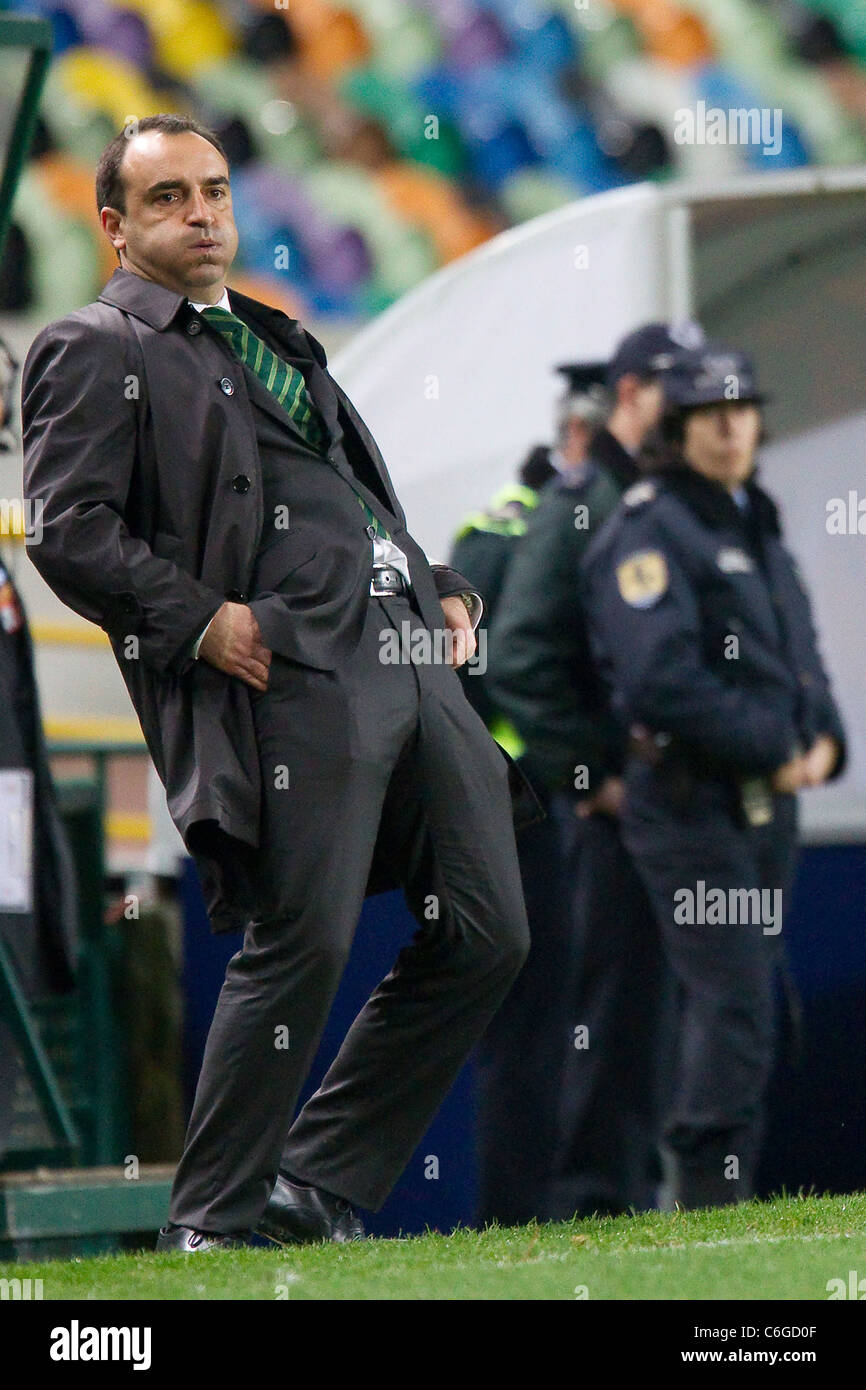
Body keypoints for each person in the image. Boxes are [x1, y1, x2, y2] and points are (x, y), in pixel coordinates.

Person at [21, 114, 538, 1251]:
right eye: (168, 199)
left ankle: (313, 1187)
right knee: (296, 938)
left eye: (213, 192)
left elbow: (356, 497)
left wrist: (440, 578)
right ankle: (209, 1220)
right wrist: (203, 622)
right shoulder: (95, 343)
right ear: (112, 225)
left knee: (489, 930)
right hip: (289, 676)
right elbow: (67, 530)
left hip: (409, 650)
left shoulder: (271, 332)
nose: (202, 214)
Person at [582, 344, 846, 1208]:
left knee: (745, 1004)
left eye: (742, 410)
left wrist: (827, 737)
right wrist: (775, 744)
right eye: (710, 413)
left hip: (767, 811)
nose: (732, 427)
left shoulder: (751, 518)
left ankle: (713, 1196)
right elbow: (661, 680)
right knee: (733, 1005)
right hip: (689, 803)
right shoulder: (652, 527)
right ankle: (703, 1198)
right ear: (680, 428)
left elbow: (801, 655)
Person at [487, 323, 701, 1218]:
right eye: (666, 388)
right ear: (618, 401)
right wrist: (590, 777)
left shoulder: (647, 496)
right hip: (562, 811)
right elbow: (521, 657)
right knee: (580, 1021)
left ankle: (604, 1201)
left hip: (606, 804)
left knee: (626, 1018)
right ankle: (575, 1207)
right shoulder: (583, 502)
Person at [457, 365, 610, 1225]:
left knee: (585, 1020)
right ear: (577, 439)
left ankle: (578, 1208)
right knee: (531, 1025)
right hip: (523, 814)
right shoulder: (501, 533)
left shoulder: (595, 526)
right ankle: (519, 1221)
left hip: (576, 806)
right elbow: (475, 678)